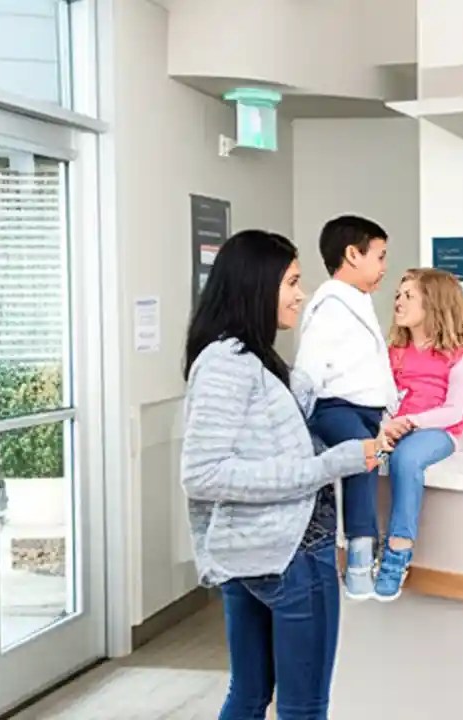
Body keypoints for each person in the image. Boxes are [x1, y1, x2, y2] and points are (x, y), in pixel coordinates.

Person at [180, 230, 381, 720]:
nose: (300, 294)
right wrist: (332, 464)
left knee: (249, 697)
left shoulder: (249, 359)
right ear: (257, 284)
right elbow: (204, 474)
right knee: (303, 708)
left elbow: (269, 430)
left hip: (256, 553)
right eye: (291, 282)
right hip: (289, 553)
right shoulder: (228, 363)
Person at [294, 215, 400, 600]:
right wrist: (295, 419)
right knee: (362, 455)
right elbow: (309, 366)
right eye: (380, 256)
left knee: (372, 455)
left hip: (367, 410)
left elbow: (375, 362)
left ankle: (362, 550)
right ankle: (358, 556)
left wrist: (390, 407)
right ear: (353, 255)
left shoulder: (359, 300)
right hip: (335, 407)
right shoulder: (330, 304)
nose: (385, 266)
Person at [374, 268, 463, 601]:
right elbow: (381, 397)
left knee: (406, 459)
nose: (399, 302)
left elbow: (454, 410)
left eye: (409, 296)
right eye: (398, 295)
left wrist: (412, 422)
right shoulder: (393, 352)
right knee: (361, 455)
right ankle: (362, 539)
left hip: (437, 432)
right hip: (396, 426)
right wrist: (386, 424)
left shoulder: (458, 357)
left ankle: (398, 550)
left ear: (433, 303)